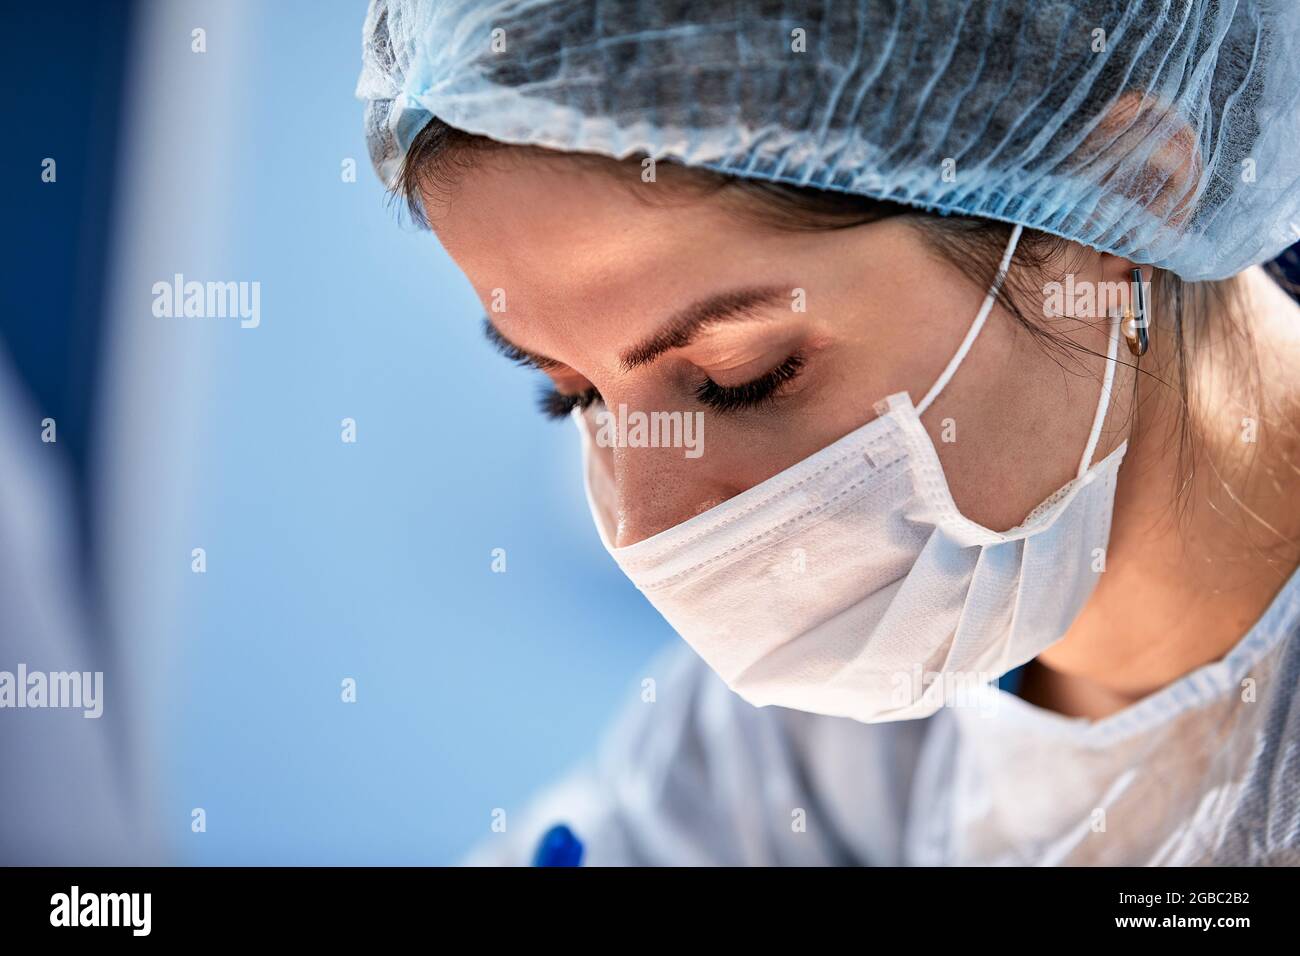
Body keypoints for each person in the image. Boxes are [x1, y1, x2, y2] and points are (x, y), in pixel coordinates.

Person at [358, 0, 1300, 864]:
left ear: (1121, 198)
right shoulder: (840, 715)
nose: (647, 529)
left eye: (743, 376)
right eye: (576, 396)